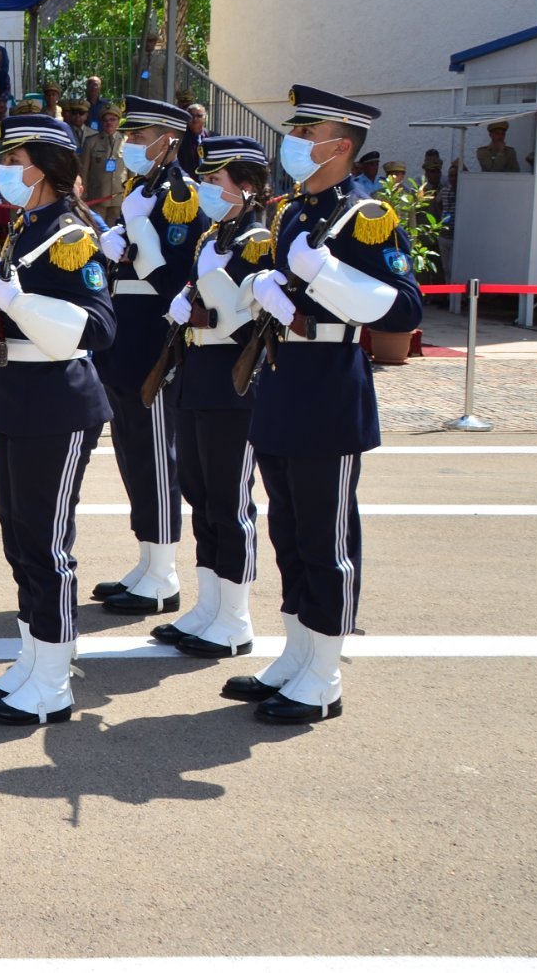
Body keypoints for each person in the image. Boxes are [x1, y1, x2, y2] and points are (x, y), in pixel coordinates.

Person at [223, 86, 422, 723]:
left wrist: (325, 276)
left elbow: (405, 308)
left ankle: (326, 674)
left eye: (309, 131)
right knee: (289, 531)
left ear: (340, 145)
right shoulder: (294, 211)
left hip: (330, 391)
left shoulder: (366, 214)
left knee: (327, 538)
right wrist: (272, 289)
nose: (297, 141)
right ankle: (299, 653)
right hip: (282, 381)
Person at [0, 114, 116, 724]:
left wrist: (17, 301)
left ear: (43, 169)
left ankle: (54, 681)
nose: (4, 169)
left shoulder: (71, 233)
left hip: (60, 397)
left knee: (48, 543)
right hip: (19, 389)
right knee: (21, 539)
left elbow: (101, 326)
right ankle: (32, 660)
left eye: (15, 159)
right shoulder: (28, 226)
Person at [148, 135, 276, 662]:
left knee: (229, 500)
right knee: (200, 495)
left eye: (215, 182)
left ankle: (236, 617)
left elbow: (250, 323)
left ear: (244, 189)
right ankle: (209, 605)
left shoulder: (257, 241)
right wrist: (187, 306)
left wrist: (204, 312)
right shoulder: (210, 240)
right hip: (197, 374)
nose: (204, 189)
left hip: (233, 382)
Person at [91, 97, 208, 617]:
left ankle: (163, 573)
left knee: (158, 457)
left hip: (154, 342)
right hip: (124, 340)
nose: (130, 146)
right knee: (133, 454)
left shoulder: (180, 196)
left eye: (139, 138)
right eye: (130, 137)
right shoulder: (144, 191)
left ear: (169, 140)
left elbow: (173, 283)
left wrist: (137, 238)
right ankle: (146, 559)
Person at [83, 104, 125, 221]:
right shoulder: (91, 142)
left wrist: (130, 194)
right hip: (97, 196)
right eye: (105, 120)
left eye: (112, 119)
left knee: (115, 232)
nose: (109, 123)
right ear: (101, 122)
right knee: (98, 231)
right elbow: (84, 171)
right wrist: (83, 195)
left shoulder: (126, 142)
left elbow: (132, 171)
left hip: (119, 196)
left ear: (118, 121)